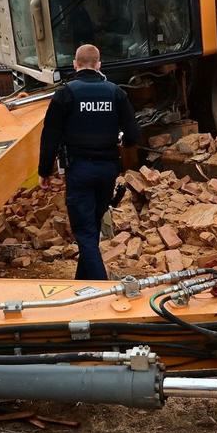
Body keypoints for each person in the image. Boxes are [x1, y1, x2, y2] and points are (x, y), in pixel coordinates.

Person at [38, 44, 139, 280]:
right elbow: (133, 135)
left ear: (75, 64)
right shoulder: (116, 92)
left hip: (79, 171)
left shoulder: (66, 94)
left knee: (84, 233)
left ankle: (102, 290)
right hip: (107, 171)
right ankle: (81, 282)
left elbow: (50, 136)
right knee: (91, 230)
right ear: (99, 65)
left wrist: (44, 171)